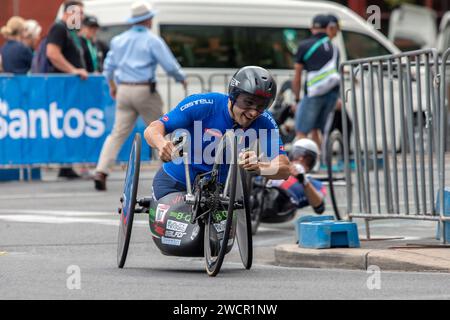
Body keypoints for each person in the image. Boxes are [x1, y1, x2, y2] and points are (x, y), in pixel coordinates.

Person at [145, 66, 291, 201]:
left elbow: (284, 168)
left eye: (261, 106)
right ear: (233, 96)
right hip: (176, 181)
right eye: (248, 103)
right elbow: (154, 128)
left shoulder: (265, 121)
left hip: (218, 192)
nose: (253, 112)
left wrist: (259, 167)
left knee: (236, 224)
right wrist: (162, 144)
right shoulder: (203, 104)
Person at [94, 1, 187, 191]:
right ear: (148, 20)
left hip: (124, 89)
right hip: (145, 90)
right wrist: (181, 78)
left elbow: (108, 67)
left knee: (117, 133)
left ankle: (101, 170)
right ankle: (170, 172)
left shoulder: (118, 40)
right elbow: (169, 65)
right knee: (162, 129)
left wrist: (112, 86)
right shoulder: (152, 40)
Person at [46, 1, 88, 179]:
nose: (82, 18)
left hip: (69, 87)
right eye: (80, 14)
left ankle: (67, 164)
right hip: (62, 87)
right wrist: (73, 70)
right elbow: (52, 53)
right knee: (65, 123)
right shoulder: (59, 28)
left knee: (70, 124)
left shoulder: (70, 32)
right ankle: (65, 164)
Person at [292, 14, 341, 152]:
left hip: (313, 93)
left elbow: (297, 76)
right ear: (327, 28)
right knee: (317, 130)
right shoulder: (334, 48)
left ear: (312, 28)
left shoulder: (304, 46)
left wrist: (297, 99)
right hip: (331, 94)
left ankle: (302, 164)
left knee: (301, 131)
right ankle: (320, 162)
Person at [265, 138, 326, 215]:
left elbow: (319, 207)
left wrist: (304, 181)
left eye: (307, 159)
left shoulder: (315, 184)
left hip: (283, 203)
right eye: (297, 154)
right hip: (262, 191)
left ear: (312, 163)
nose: (300, 159)